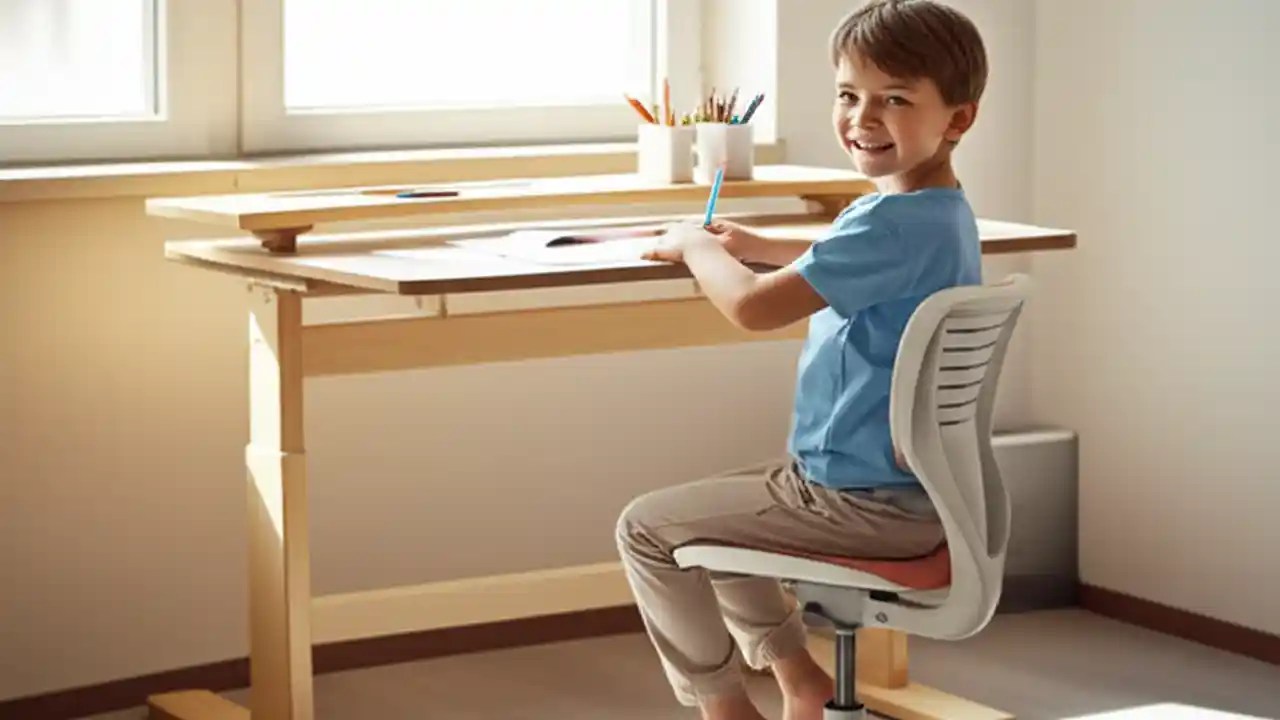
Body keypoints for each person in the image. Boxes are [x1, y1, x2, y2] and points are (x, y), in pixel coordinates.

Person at [615, 2, 989, 719]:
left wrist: (696, 249)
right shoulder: (933, 211)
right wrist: (756, 244)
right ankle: (800, 681)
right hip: (891, 489)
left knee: (647, 528)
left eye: (895, 99)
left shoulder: (889, 220)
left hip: (861, 503)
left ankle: (724, 707)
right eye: (849, 95)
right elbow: (845, 267)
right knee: (713, 522)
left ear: (957, 119)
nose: (863, 117)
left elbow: (754, 308)